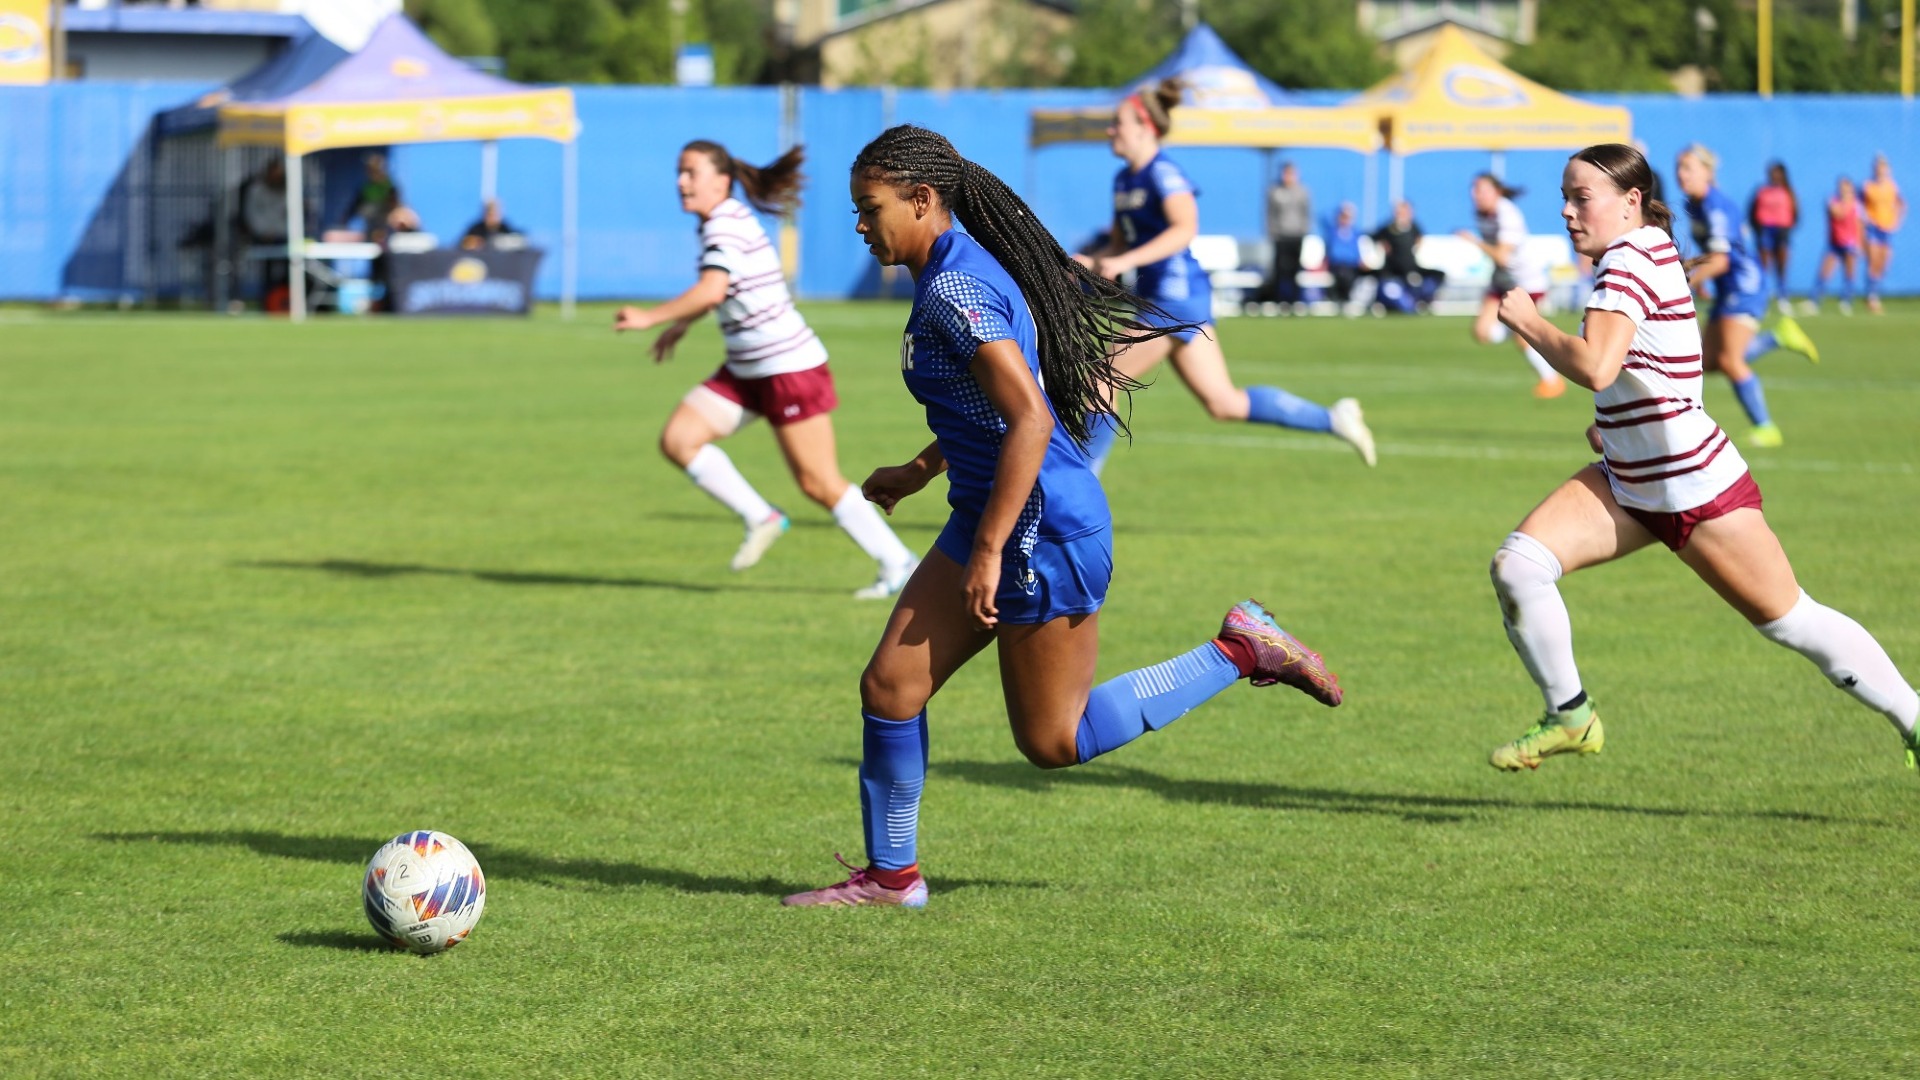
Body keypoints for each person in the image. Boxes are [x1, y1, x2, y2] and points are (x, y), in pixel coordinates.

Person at [780, 124, 1344, 909]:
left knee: (1054, 740)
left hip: (1041, 532)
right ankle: (891, 878)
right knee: (890, 687)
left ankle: (1242, 648)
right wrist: (921, 468)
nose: (860, 225)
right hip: (994, 516)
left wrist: (988, 551)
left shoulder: (955, 289)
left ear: (922, 199)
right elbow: (990, 406)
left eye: (869, 208)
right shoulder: (954, 271)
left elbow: (1030, 420)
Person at [1483, 142, 1917, 775]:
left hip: (1693, 487)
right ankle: (1572, 716)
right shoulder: (1646, 248)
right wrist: (1619, 425)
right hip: (1631, 481)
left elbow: (1598, 365)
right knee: (1519, 567)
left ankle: (1913, 717)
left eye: (1581, 198)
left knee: (1791, 620)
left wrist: (1528, 321)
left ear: (1630, 201)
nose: (1568, 212)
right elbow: (1660, 363)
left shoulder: (1628, 259)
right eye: (1564, 199)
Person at [613, 140, 918, 599]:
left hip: (786, 368)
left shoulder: (725, 225)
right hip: (746, 368)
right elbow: (725, 288)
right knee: (679, 439)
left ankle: (898, 562)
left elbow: (712, 289)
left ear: (721, 181)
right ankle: (762, 516)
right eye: (679, 172)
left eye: (691, 172)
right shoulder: (721, 221)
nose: (681, 182)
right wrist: (681, 325)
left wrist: (650, 317)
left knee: (818, 482)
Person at [1074, 80, 1375, 473]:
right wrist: (1086, 261)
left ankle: (1079, 488)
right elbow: (1118, 245)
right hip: (1165, 299)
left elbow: (1184, 228)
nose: (1110, 130)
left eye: (1119, 122)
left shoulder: (1163, 173)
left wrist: (1125, 259)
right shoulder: (1123, 180)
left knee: (1100, 381)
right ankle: (1333, 418)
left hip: (1175, 297)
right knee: (1223, 403)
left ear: (1145, 127)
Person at [1676, 144, 1820, 450]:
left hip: (1744, 285)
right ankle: (1777, 337)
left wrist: (1684, 280)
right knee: (1707, 361)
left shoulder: (1715, 206)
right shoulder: (1698, 204)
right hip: (1729, 287)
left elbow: (1721, 261)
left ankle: (1766, 428)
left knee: (1730, 360)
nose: (1681, 174)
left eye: (1688, 167)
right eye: (1679, 167)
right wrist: (1698, 276)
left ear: (1707, 172)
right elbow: (1716, 255)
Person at [1459, 175, 1564, 399]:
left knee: (1522, 338)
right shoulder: (1481, 213)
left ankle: (1552, 380)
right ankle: (1517, 327)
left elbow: (1501, 256)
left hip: (1526, 281)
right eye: (1474, 190)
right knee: (1482, 332)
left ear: (1496, 192)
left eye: (1481, 190)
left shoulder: (1508, 215)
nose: (1475, 195)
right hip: (1502, 280)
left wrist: (1474, 241)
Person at [1370, 200, 1442, 313]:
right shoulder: (1388, 228)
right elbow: (1373, 237)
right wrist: (1382, 244)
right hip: (1393, 273)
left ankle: (1425, 299)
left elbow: (1419, 238)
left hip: (1411, 268)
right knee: (1403, 305)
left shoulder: (1413, 227)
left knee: (1438, 275)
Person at [1809, 176, 1864, 316]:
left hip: (1850, 243)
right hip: (1834, 243)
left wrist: (1859, 243)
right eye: (1841, 187)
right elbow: (1838, 214)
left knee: (1850, 274)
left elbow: (1859, 224)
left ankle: (1846, 301)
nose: (1843, 190)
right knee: (1825, 272)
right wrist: (1847, 201)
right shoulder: (1832, 201)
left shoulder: (1857, 205)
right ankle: (1814, 301)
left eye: (1846, 187)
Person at [1748, 161, 1797, 315]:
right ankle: (1762, 299)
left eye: (1777, 172)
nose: (1774, 175)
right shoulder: (1762, 191)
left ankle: (1783, 296)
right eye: (1771, 172)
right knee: (1763, 266)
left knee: (1781, 265)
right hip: (1765, 230)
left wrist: (1788, 228)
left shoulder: (1788, 192)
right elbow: (1752, 211)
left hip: (1782, 231)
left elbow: (1795, 212)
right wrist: (1757, 228)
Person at [238, 158, 289, 301]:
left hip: (282, 236)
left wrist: (282, 231)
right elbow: (252, 215)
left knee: (289, 269)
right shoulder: (257, 190)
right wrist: (264, 232)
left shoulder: (286, 190)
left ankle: (285, 298)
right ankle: (267, 299)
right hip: (263, 237)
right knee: (267, 270)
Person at [1862, 154, 1906, 315]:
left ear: (1887, 170)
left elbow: (1901, 204)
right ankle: (1871, 297)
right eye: (1878, 168)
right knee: (1873, 261)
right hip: (1873, 228)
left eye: (1883, 168)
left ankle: (1874, 293)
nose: (1880, 171)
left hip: (1887, 228)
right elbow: (1859, 205)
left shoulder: (1892, 187)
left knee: (1883, 263)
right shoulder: (1868, 186)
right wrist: (1866, 218)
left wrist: (1897, 220)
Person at [1263, 162, 1311, 305]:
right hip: (1280, 236)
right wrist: (1273, 232)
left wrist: (1303, 230)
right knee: (1279, 268)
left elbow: (1306, 213)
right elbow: (1270, 214)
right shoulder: (1275, 191)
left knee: (1295, 269)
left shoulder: (1302, 191)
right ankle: (1278, 299)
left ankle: (1294, 300)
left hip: (1296, 235)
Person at [1322, 202, 1364, 306]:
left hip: (1352, 266)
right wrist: (1341, 207)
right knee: (1341, 273)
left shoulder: (1355, 233)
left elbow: (1357, 252)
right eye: (1343, 216)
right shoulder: (1332, 231)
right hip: (1336, 265)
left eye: (1348, 217)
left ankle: (1346, 299)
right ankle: (1337, 299)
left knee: (1348, 274)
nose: (1345, 219)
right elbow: (1322, 215)